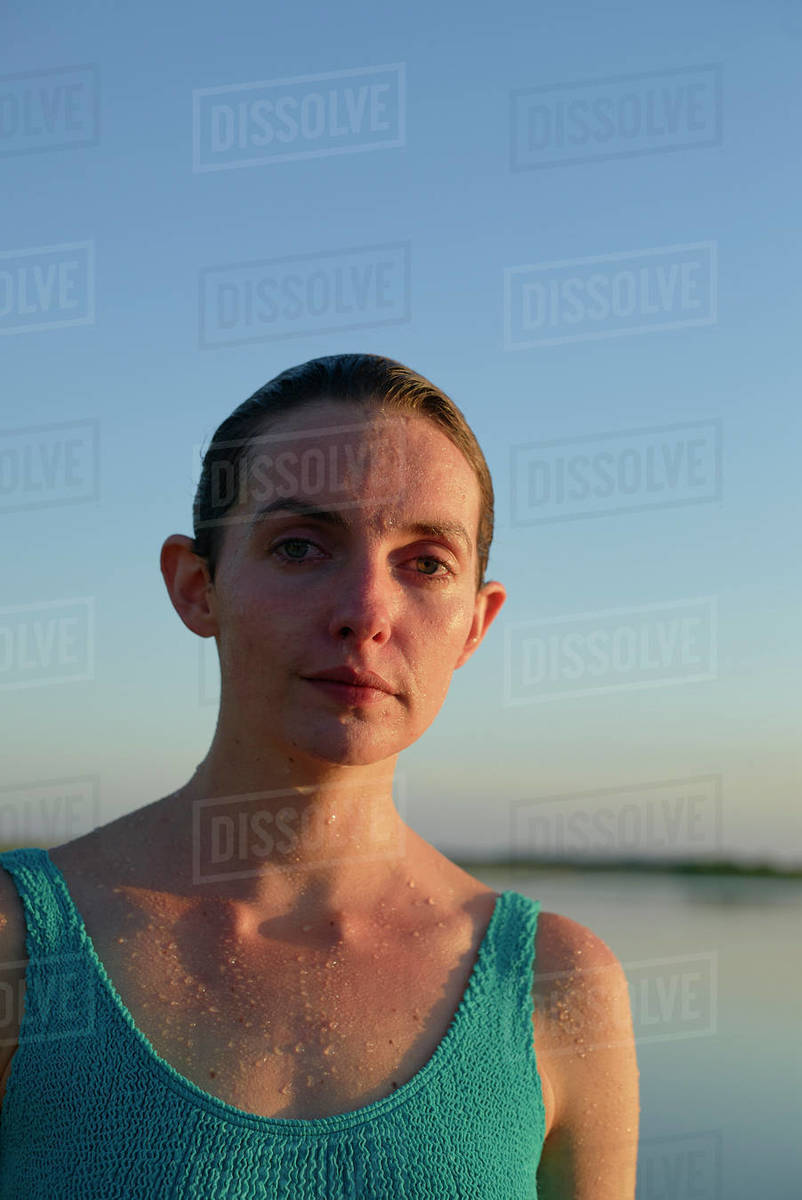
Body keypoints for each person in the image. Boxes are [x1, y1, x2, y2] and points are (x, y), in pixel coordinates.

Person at [0, 353, 639, 1197]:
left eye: (426, 563)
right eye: (300, 546)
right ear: (198, 587)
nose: (367, 613)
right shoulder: (20, 949)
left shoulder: (558, 989)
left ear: (475, 626)